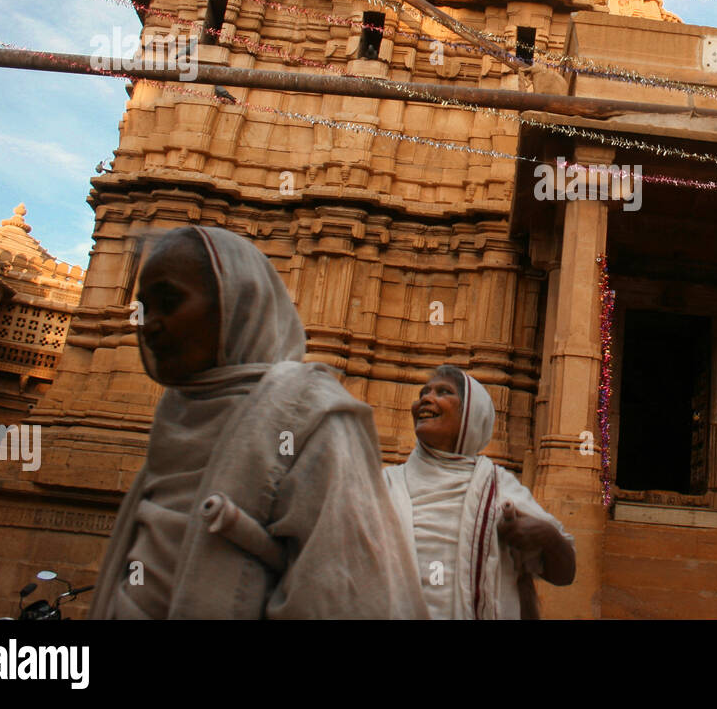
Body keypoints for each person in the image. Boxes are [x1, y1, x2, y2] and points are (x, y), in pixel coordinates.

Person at [90, 225, 426, 619]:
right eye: (145, 308)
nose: (151, 324)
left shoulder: (309, 415)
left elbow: (340, 596)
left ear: (239, 304)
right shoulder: (176, 419)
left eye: (170, 302)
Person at [384, 366, 575, 619]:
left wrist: (548, 536)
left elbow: (564, 574)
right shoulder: (385, 484)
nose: (426, 399)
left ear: (471, 416)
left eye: (443, 392)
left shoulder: (497, 486)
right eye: (423, 392)